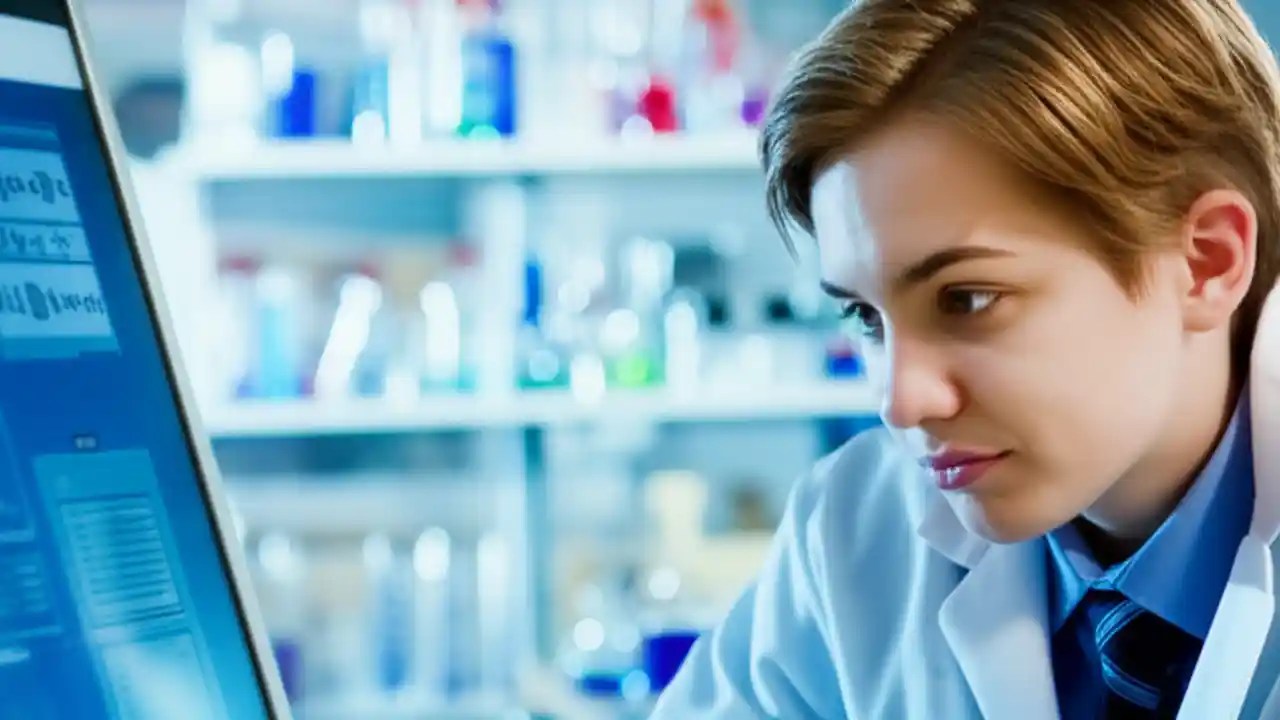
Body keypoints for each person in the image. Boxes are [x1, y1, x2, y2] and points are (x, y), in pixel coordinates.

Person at [650, 1, 1280, 718]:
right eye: (867, 317)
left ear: (1206, 261)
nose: (900, 403)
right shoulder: (854, 532)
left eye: (968, 299)